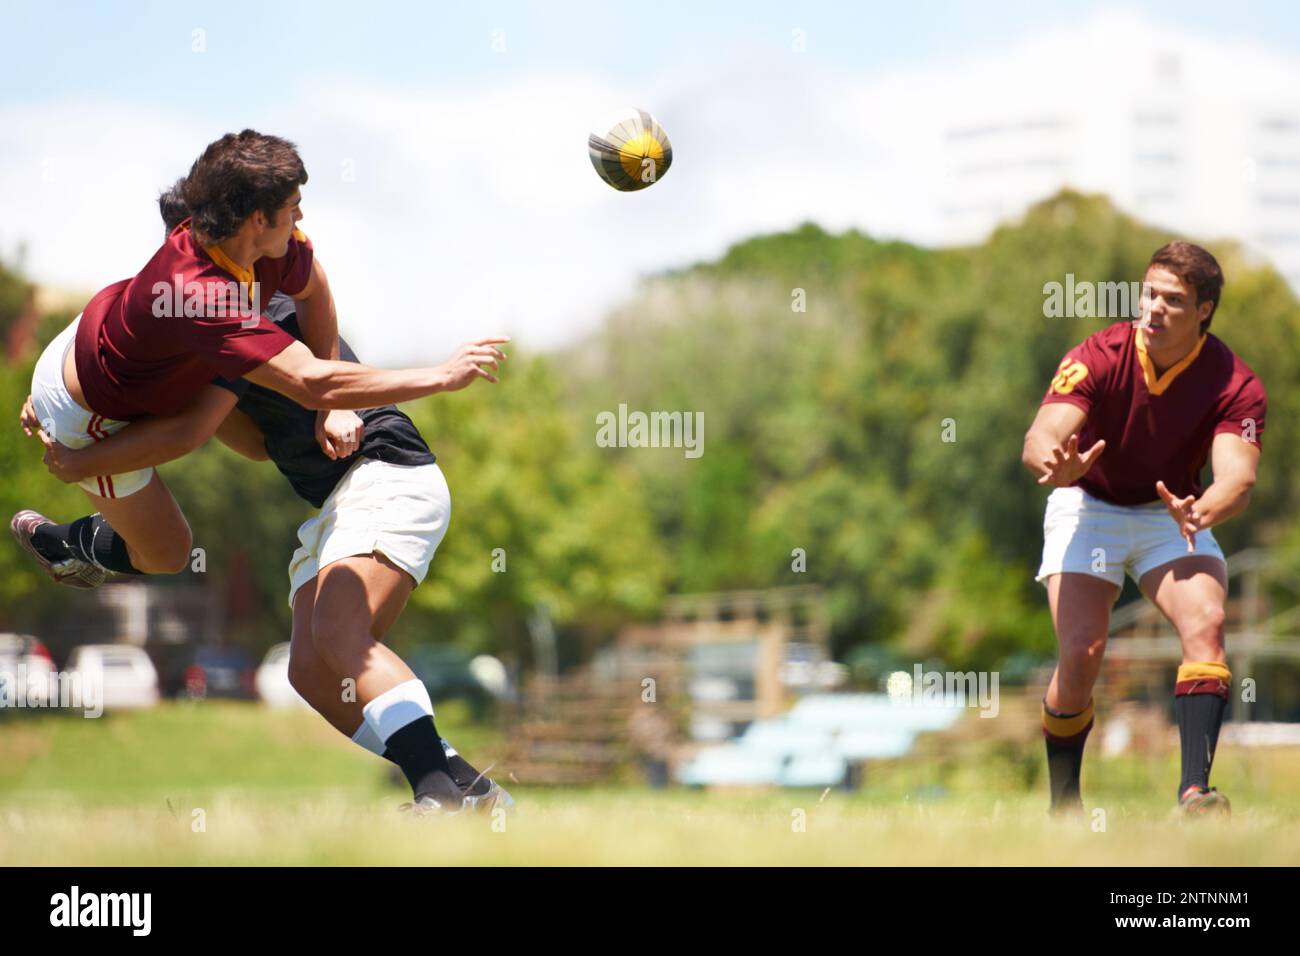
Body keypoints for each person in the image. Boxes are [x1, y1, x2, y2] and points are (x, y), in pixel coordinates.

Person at [1022, 241, 1265, 816]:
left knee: (1207, 621)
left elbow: (1238, 478)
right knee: (1082, 653)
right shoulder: (1099, 354)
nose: (1154, 308)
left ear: (1204, 309)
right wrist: (1055, 465)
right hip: (1088, 503)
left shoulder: (1236, 382)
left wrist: (1204, 509)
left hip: (1172, 513)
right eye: (1149, 293)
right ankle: (1064, 806)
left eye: (1173, 300)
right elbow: (1040, 438)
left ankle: (1194, 794)